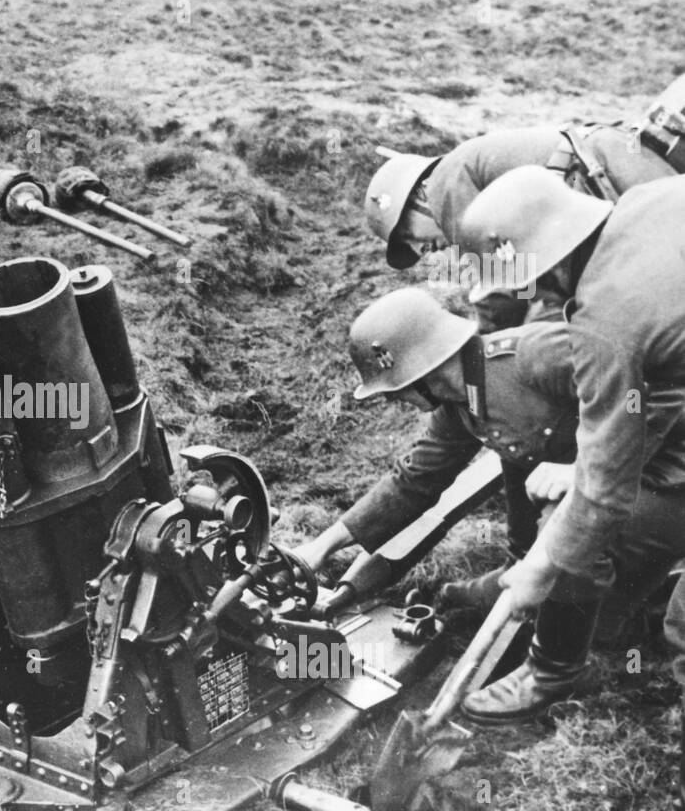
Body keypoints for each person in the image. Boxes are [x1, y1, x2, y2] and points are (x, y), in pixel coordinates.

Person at [291, 288, 685, 725]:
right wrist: (323, 548)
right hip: (608, 493)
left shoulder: (535, 355)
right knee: (557, 555)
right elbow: (413, 480)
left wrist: (584, 469)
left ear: (423, 368)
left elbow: (656, 389)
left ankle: (555, 672)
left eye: (394, 387)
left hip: (664, 481)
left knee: (570, 533)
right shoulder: (460, 407)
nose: (391, 398)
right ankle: (579, 610)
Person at [457, 166, 685, 811]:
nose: (530, 297)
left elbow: (604, 491)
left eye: (526, 279)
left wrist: (538, 571)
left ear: (549, 254)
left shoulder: (608, 326)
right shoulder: (649, 201)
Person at [363, 125, 675, 331]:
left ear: (417, 198)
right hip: (615, 171)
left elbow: (499, 283)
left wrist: (486, 347)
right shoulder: (464, 171)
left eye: (408, 235)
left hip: (613, 179)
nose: (421, 250)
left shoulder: (444, 185)